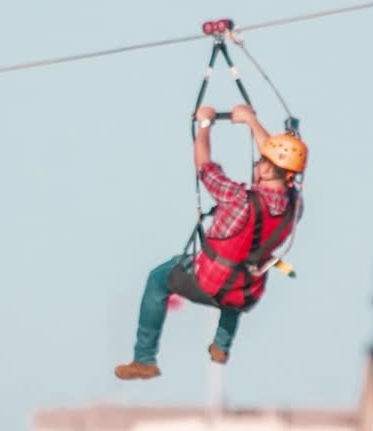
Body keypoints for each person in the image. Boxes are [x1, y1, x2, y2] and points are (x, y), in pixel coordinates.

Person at [114, 103, 306, 380]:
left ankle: (144, 359)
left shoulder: (238, 199)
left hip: (210, 282)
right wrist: (252, 122)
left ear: (265, 169)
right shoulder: (294, 205)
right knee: (241, 277)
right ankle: (221, 346)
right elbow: (280, 162)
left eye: (260, 163)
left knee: (158, 279)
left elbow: (204, 165)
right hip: (246, 290)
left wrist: (204, 126)